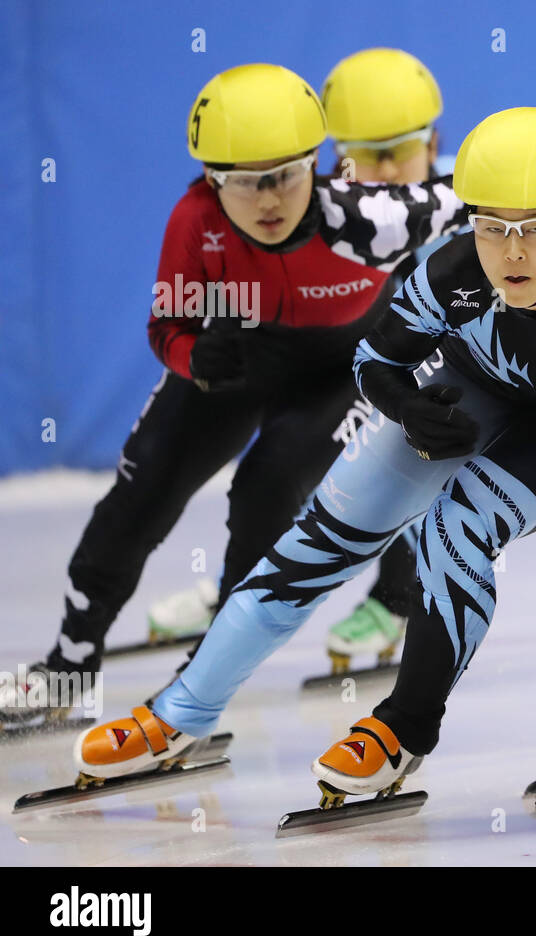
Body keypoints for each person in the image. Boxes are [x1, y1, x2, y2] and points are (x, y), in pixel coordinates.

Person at [72, 107, 536, 798]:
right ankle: (180, 713)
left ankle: (403, 731)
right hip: (478, 388)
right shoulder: (449, 272)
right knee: (315, 542)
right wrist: (407, 407)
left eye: (535, 230)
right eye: (492, 227)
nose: (513, 252)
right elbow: (376, 362)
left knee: (457, 528)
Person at [0, 63, 466, 728]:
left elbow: (485, 201)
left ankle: (209, 667)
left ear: (318, 163)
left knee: (266, 488)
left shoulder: (366, 215)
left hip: (343, 369)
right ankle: (70, 663)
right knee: (145, 482)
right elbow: (166, 329)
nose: (269, 200)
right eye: (245, 183)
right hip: (240, 357)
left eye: (285, 175)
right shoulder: (194, 222)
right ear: (212, 181)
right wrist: (194, 357)